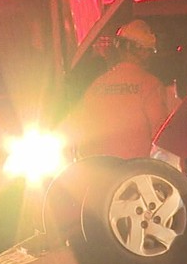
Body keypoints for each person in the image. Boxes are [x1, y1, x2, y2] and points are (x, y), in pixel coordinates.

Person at [69, 19, 170, 159]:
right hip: (136, 169)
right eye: (149, 51)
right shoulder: (150, 85)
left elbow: (79, 132)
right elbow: (161, 136)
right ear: (142, 51)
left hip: (98, 167)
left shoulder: (97, 85)